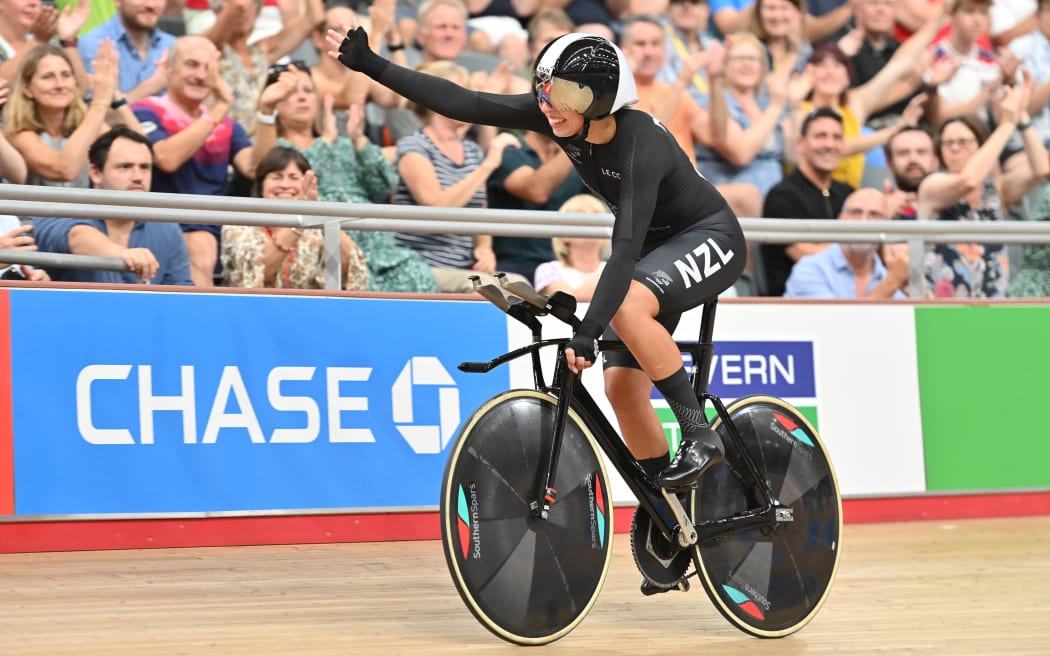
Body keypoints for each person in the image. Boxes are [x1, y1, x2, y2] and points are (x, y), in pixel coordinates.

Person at [327, 24, 747, 571]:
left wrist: (589, 332)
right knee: (623, 391)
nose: (550, 107)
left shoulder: (639, 142)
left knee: (623, 302)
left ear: (600, 101)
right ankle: (673, 510)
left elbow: (621, 254)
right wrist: (372, 65)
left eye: (566, 95)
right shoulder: (561, 115)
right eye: (545, 90)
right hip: (655, 248)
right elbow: (466, 101)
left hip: (707, 235)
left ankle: (699, 436)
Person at [252, 62, 438, 292]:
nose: (302, 98)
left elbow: (383, 186)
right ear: (275, 101)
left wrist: (359, 140)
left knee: (417, 271)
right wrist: (325, 142)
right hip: (327, 246)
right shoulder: (278, 149)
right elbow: (264, 170)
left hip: (380, 248)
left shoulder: (343, 144)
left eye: (308, 91)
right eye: (291, 93)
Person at [389, 60, 521, 292]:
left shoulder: (470, 150)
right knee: (487, 288)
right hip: (420, 265)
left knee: (520, 285)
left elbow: (480, 210)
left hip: (462, 267)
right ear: (433, 100)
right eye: (460, 93)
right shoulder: (414, 147)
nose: (468, 101)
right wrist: (487, 166)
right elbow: (436, 208)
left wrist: (485, 247)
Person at [132, 35, 254, 286]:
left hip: (217, 230)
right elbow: (166, 158)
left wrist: (267, 113)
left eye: (208, 68)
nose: (201, 75)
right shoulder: (146, 110)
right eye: (191, 64)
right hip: (161, 224)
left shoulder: (228, 125)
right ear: (168, 68)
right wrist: (220, 108)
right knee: (199, 241)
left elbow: (253, 166)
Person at [915, 83, 1049, 298]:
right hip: (942, 308)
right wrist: (1006, 124)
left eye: (963, 142)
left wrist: (1021, 117)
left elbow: (1041, 169)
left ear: (981, 146)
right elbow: (968, 180)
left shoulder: (997, 189)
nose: (955, 149)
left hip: (993, 306)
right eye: (948, 144)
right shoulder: (932, 185)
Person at [33, 125, 193, 285]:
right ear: (96, 173)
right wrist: (124, 254)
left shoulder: (166, 227)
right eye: (125, 167)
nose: (138, 177)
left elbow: (180, 291)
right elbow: (77, 237)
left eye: (145, 167)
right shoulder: (61, 208)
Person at [222, 146, 369, 289]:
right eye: (276, 177)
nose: (285, 185)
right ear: (261, 184)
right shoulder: (238, 225)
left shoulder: (316, 229)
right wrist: (300, 221)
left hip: (310, 310)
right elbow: (256, 273)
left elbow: (353, 268)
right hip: (252, 309)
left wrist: (320, 213)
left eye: (294, 177)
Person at [4, 41, 142, 189]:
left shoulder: (88, 127)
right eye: (48, 77)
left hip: (83, 212)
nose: (59, 85)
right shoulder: (17, 134)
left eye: (66, 75)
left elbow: (139, 151)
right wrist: (100, 101)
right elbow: (63, 170)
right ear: (27, 88)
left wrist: (114, 93)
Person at [761, 106, 853, 296]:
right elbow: (804, 254)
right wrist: (859, 249)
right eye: (821, 136)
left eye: (837, 137)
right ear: (801, 143)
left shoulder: (848, 194)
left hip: (849, 296)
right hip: (795, 305)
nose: (829, 144)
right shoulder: (782, 195)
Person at [486, 128, 585, 282]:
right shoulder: (509, 149)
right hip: (515, 265)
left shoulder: (579, 160)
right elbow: (536, 191)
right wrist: (576, 146)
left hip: (566, 265)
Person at [784, 187, 908, 298]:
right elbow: (836, 322)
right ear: (840, 220)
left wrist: (918, 287)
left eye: (874, 215)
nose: (863, 222)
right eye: (856, 213)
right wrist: (892, 282)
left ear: (887, 226)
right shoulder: (810, 268)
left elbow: (923, 321)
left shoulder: (888, 273)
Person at [77, 0, 176, 102]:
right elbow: (96, 113)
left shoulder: (173, 45)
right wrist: (151, 86)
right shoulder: (92, 44)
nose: (151, 5)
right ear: (117, 1)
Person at [534, 193, 609, 300]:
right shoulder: (548, 269)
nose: (591, 222)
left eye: (597, 215)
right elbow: (568, 299)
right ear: (563, 234)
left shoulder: (619, 270)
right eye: (581, 216)